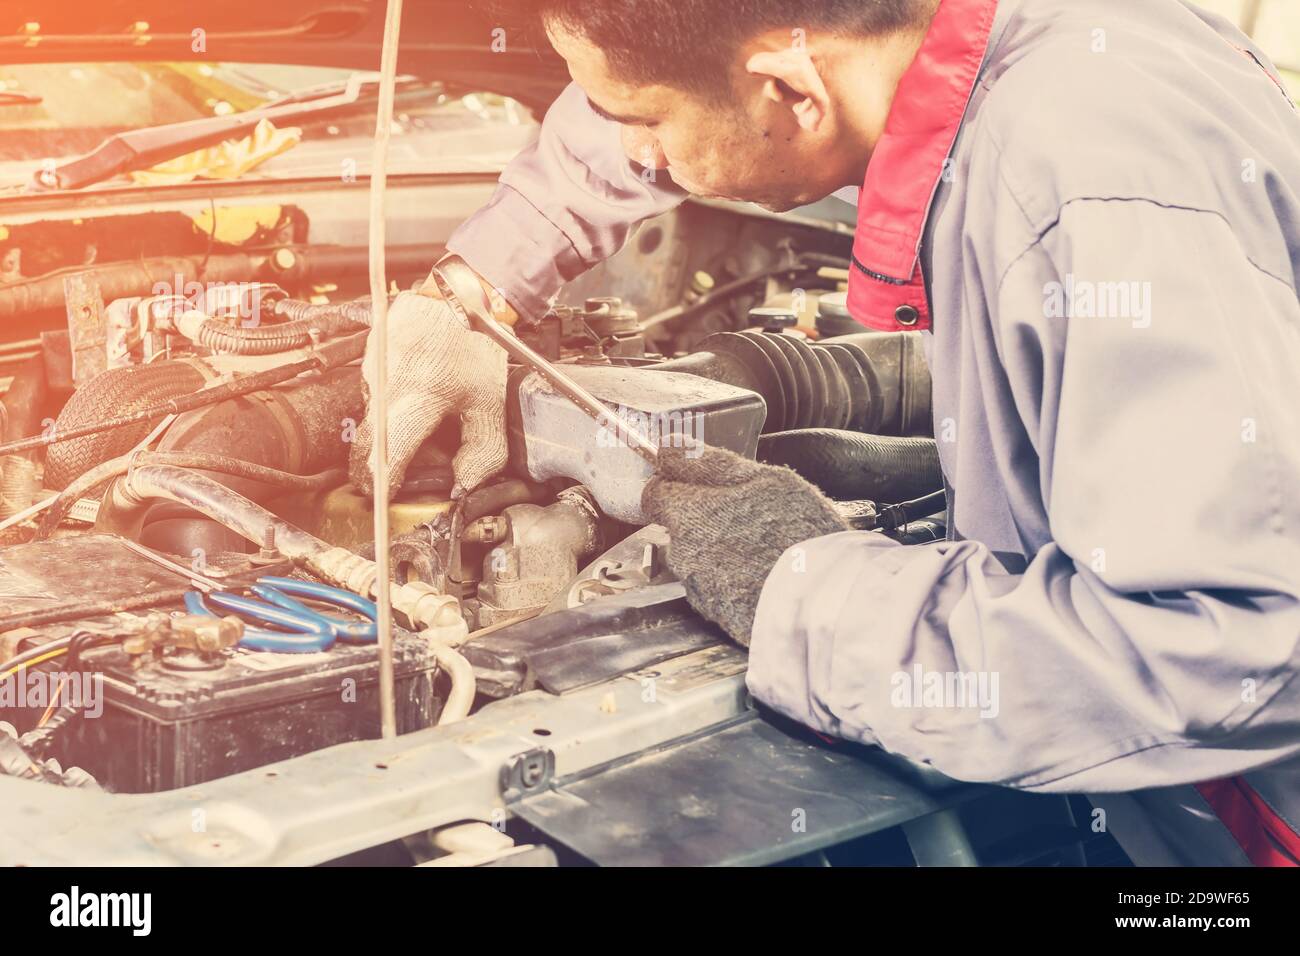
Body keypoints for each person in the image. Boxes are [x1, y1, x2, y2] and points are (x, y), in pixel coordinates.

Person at [352, 0, 1300, 866]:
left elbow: (1226, 648)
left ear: (797, 92)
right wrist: (475, 284)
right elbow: (666, 68)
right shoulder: (965, 47)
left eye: (644, 123)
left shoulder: (1094, 189)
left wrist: (800, 591)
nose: (638, 153)